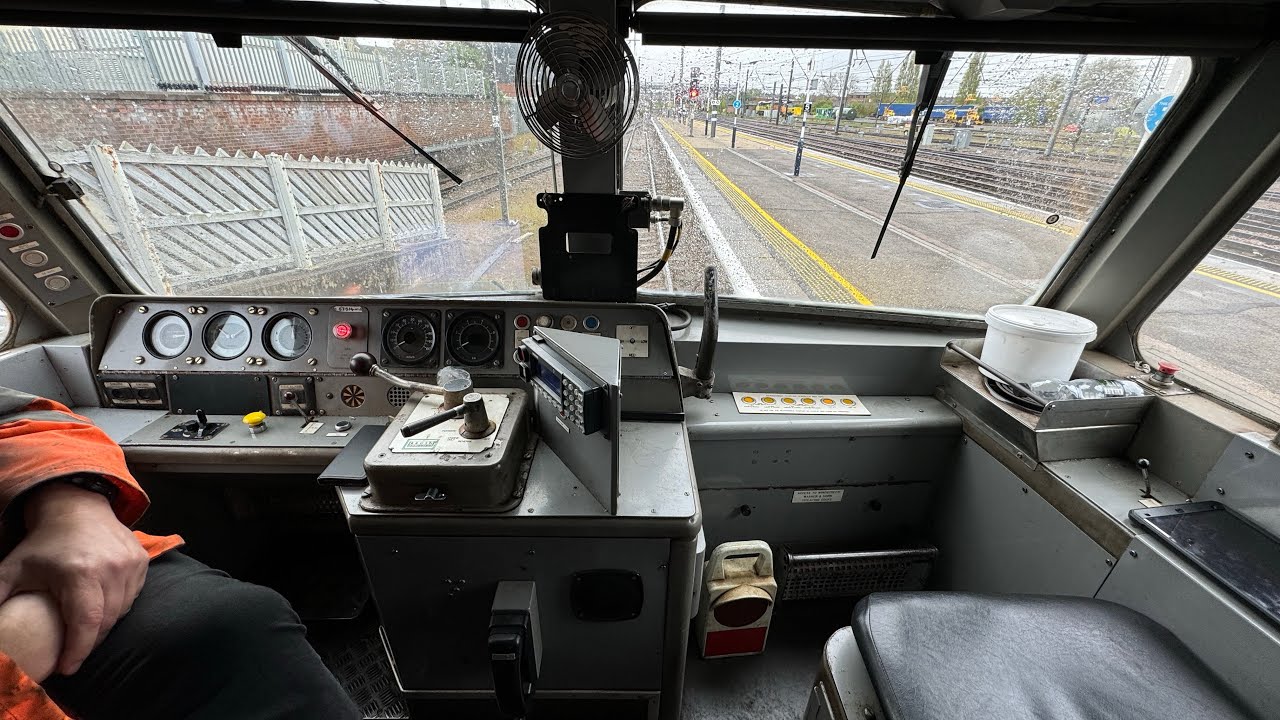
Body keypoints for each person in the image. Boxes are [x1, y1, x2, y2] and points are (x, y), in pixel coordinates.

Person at [0, 386, 361, 720]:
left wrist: (71, 503)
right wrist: (21, 637)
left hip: (35, 555)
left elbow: (25, 419)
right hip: (24, 639)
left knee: (231, 623)